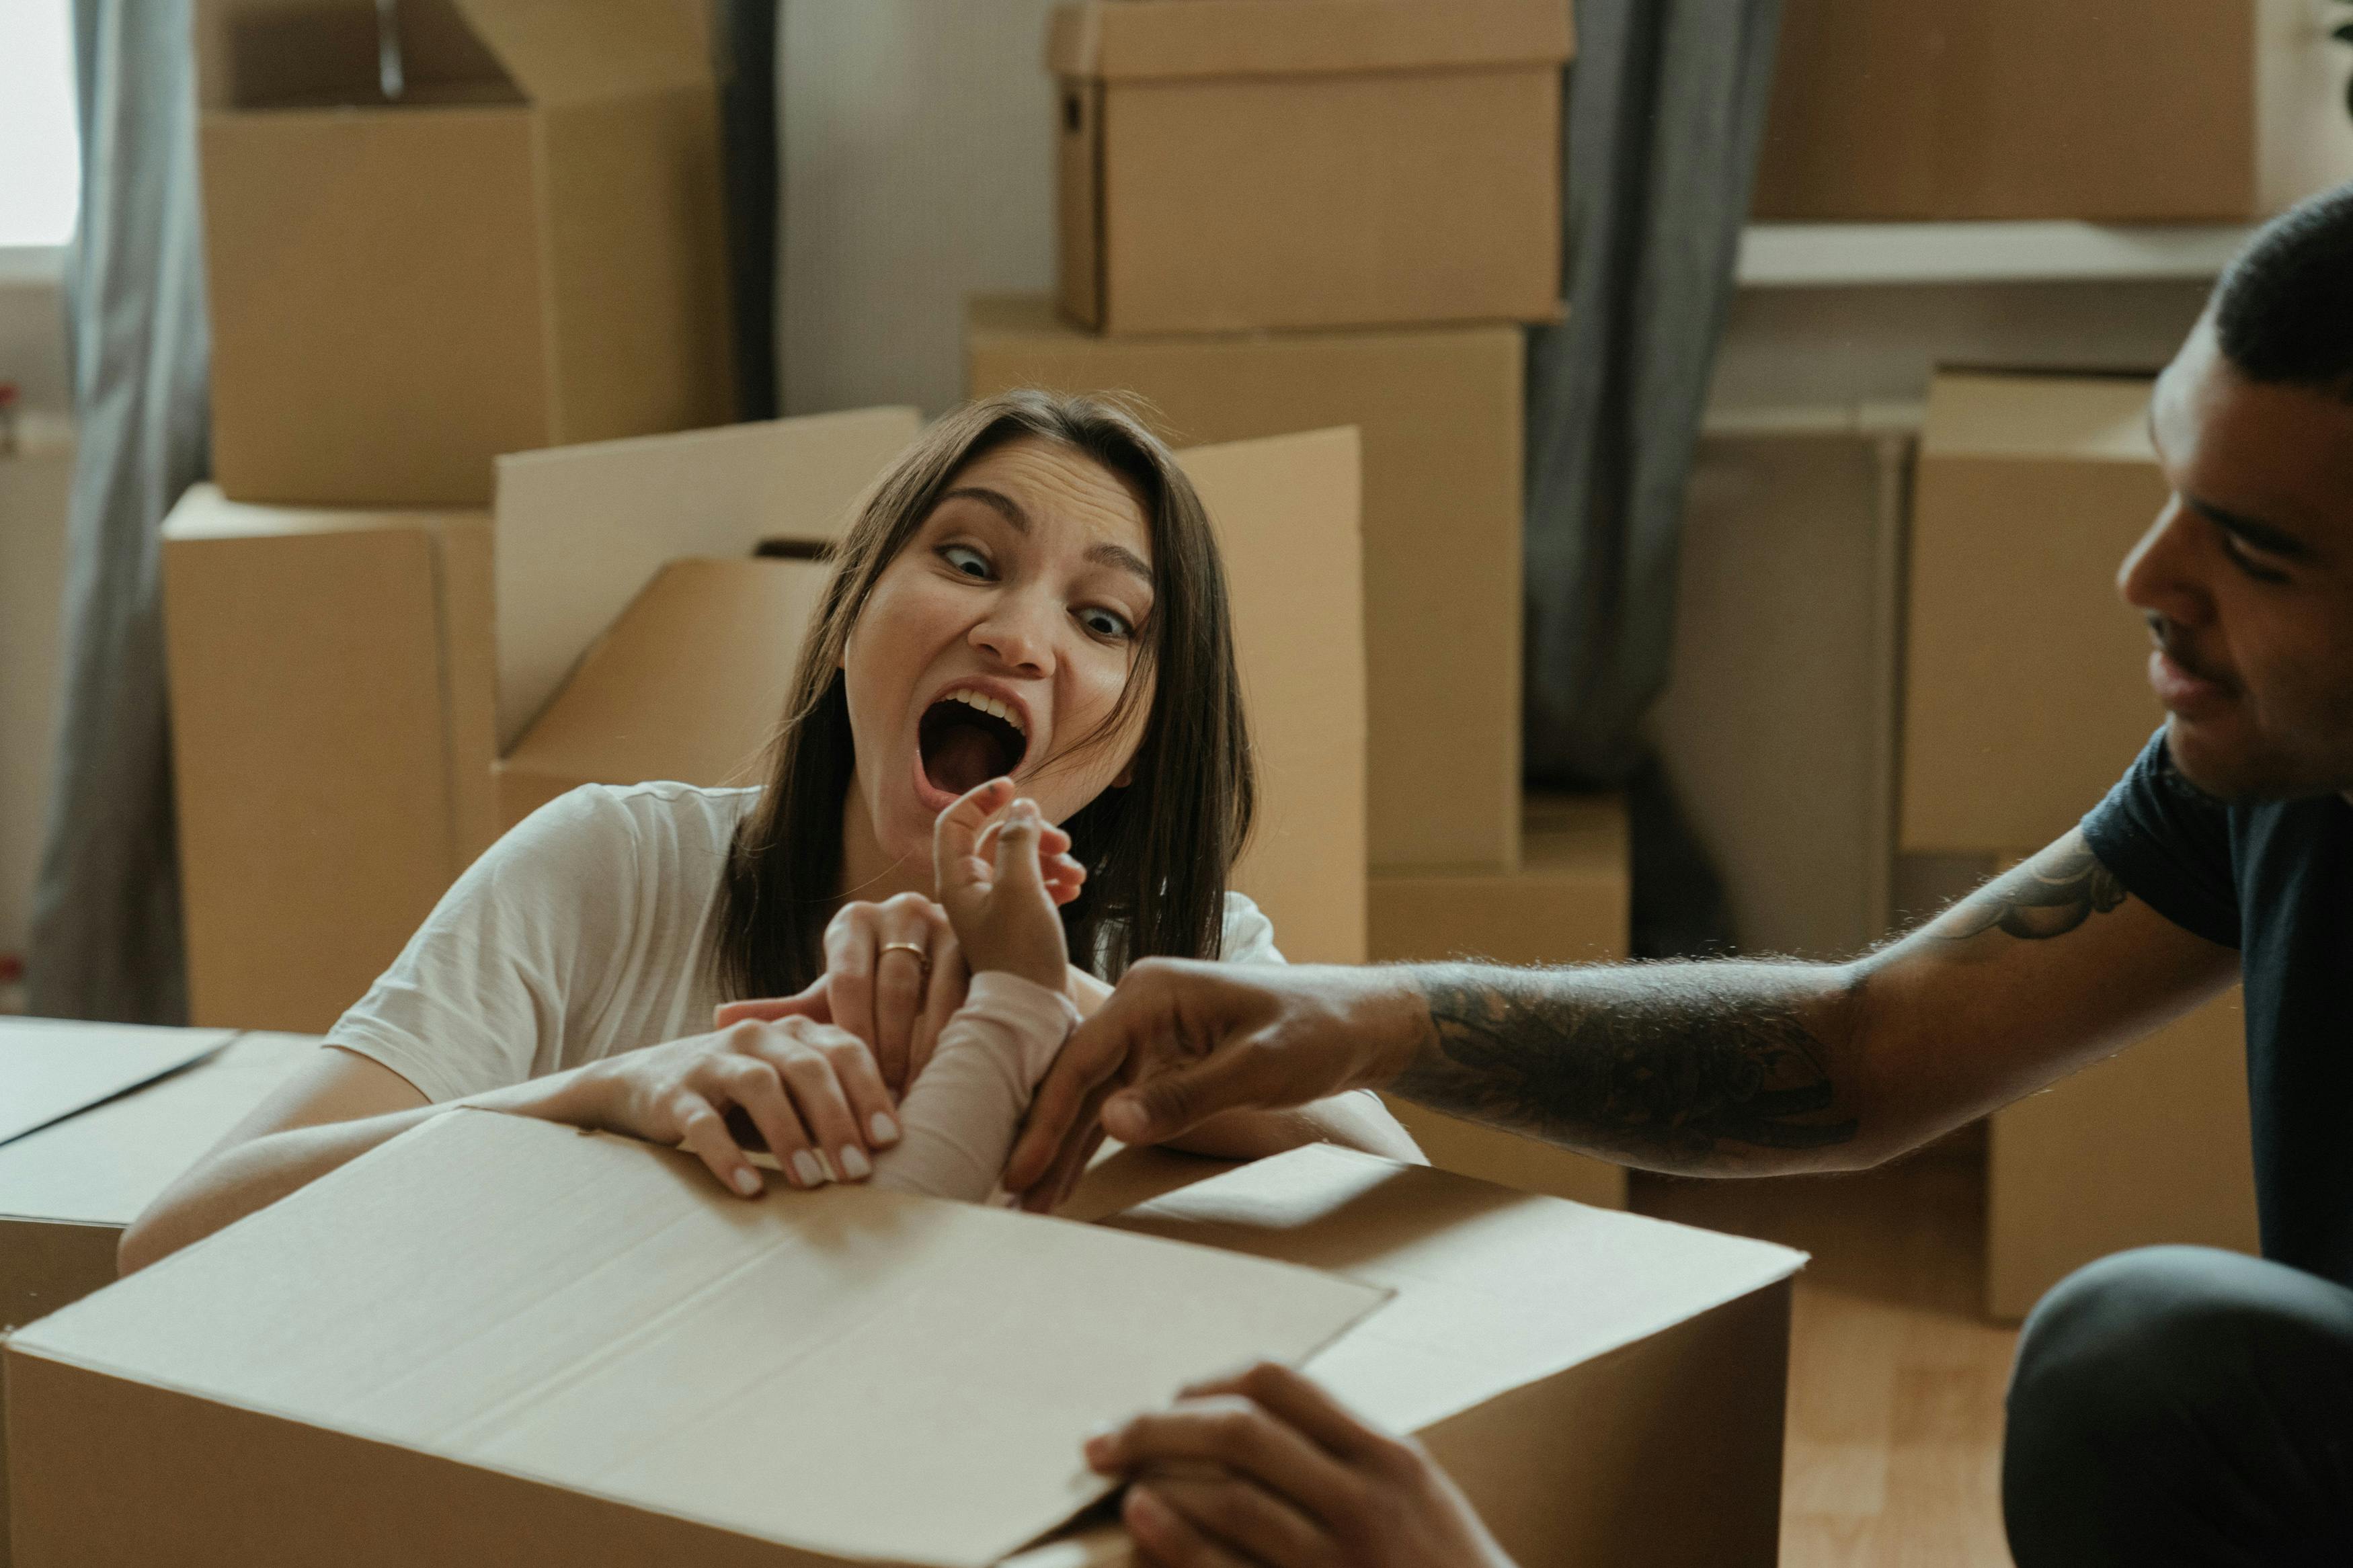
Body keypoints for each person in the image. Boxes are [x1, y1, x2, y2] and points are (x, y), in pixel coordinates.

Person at [1037, 184, 2353, 1567]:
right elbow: (1863, 1047)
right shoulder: (2276, 754)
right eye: (2167, 481)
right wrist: (1374, 1018)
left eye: (2254, 552)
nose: (2145, 575)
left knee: (2140, 1372)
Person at [120, 390, 1414, 1272]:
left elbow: (1419, 1212)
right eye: (969, 561)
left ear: (1138, 745)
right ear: (853, 611)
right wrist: (598, 1097)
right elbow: (173, 1241)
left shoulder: (1186, 955)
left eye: (1106, 620)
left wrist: (1047, 1003)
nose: (1018, 634)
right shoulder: (610, 869)